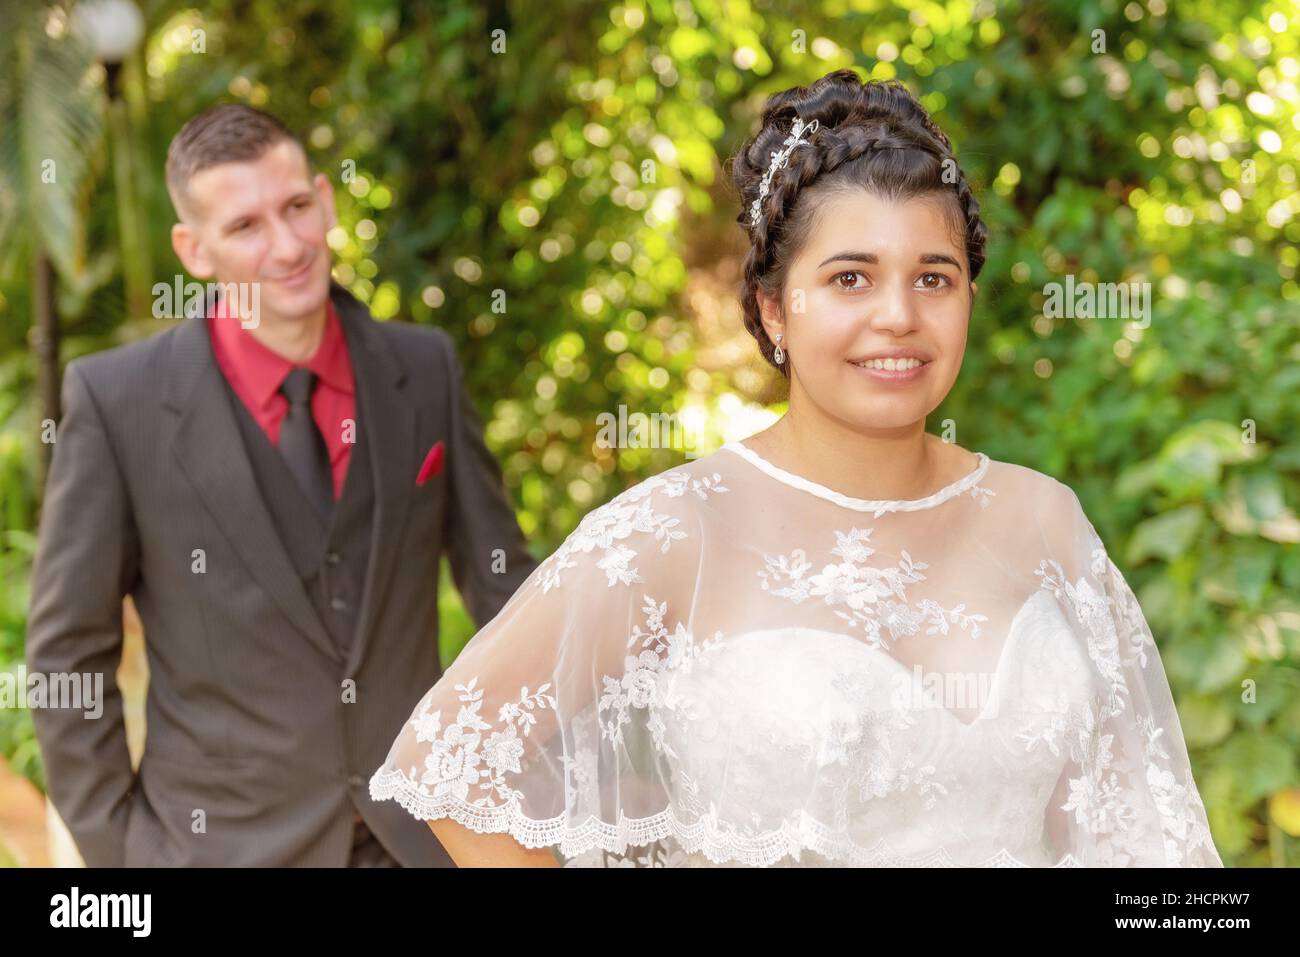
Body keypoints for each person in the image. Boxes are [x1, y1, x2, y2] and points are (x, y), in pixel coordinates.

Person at [368, 70, 1223, 867]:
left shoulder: (1044, 521)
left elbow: (1137, 838)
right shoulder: (677, 530)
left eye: (935, 277)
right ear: (775, 309)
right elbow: (450, 761)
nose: (898, 316)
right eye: (851, 277)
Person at [26, 103, 536, 866]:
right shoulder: (117, 402)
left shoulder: (423, 368)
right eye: (246, 226)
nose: (289, 246)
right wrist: (128, 852)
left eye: (297, 207)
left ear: (326, 199)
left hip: (418, 836)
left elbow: (509, 596)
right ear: (193, 250)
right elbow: (67, 656)